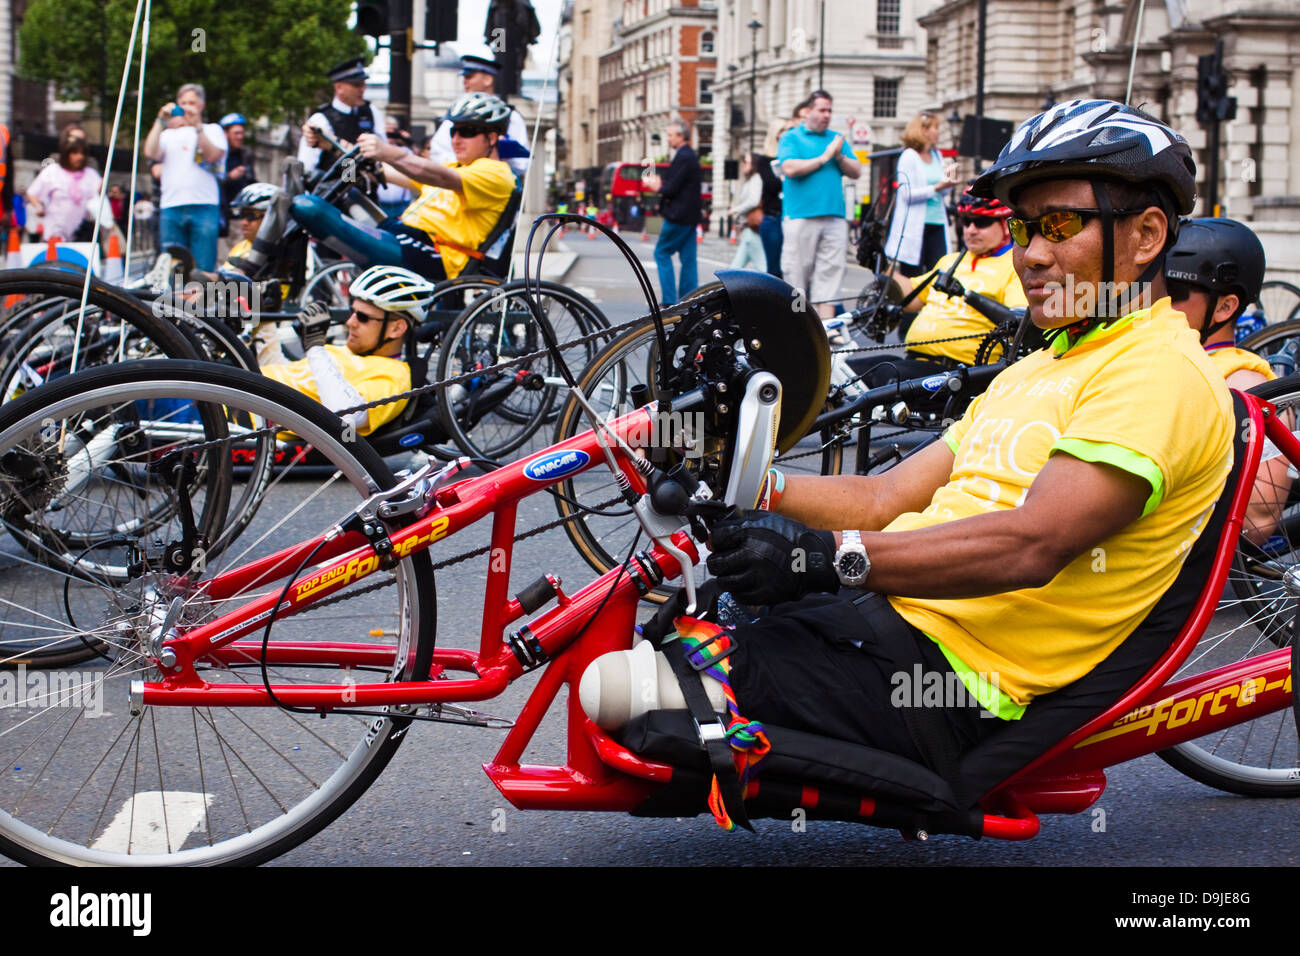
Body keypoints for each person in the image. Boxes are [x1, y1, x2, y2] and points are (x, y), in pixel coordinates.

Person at [583, 100, 1235, 790]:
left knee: (612, 689)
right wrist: (739, 485)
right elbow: (884, 495)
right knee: (658, 632)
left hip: (949, 681)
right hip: (878, 624)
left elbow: (1033, 543)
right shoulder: (1040, 367)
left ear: (1146, 235)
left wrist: (821, 558)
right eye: (1023, 227)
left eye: (1060, 225)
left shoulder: (1159, 371)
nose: (1031, 254)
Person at [289, 92, 517, 282]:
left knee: (309, 208)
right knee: (334, 187)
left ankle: (267, 281)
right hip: (401, 234)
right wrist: (330, 144)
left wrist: (389, 152)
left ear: (493, 137)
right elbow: (380, 169)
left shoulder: (496, 173)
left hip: (434, 254)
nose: (456, 139)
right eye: (453, 131)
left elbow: (437, 175)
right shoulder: (454, 166)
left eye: (467, 132)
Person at [1166, 216, 1286, 544]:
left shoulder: (1245, 383)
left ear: (1225, 307)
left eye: (1173, 292)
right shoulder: (1153, 356)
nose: (1157, 302)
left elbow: (1259, 519)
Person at [851, 189, 1027, 385]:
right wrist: (879, 263)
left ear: (1005, 224)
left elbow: (1017, 322)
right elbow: (910, 296)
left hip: (960, 370)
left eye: (982, 222)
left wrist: (967, 295)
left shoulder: (1013, 265)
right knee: (843, 374)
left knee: (884, 375)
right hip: (915, 361)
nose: (971, 229)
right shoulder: (950, 261)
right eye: (966, 222)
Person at [251, 265, 437, 436]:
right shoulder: (341, 352)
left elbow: (344, 418)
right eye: (352, 312)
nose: (350, 322)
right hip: (241, 396)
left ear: (396, 328)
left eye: (363, 317)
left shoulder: (395, 375)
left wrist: (315, 347)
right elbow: (278, 376)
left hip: (242, 419)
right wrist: (266, 323)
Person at [775, 90, 862, 318]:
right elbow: (790, 168)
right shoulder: (791, 137)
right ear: (807, 111)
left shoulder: (836, 139)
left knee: (831, 273)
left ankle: (826, 328)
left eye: (829, 111)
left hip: (834, 215)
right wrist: (825, 157)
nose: (826, 115)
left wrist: (839, 156)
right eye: (822, 110)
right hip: (800, 215)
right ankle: (798, 326)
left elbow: (857, 171)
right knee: (797, 276)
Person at [143, 83, 228, 271]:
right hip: (172, 206)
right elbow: (150, 151)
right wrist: (160, 121)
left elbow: (213, 156)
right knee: (174, 268)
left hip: (204, 204)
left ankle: (202, 300)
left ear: (202, 105)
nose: (188, 106)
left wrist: (197, 126)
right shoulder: (169, 134)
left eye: (192, 102)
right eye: (183, 103)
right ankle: (176, 300)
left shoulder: (213, 129)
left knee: (203, 267)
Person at [428, 53, 531, 180]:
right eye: (454, 131)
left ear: (488, 80)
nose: (464, 81)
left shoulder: (510, 117)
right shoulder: (457, 114)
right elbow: (437, 152)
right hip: (458, 183)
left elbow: (521, 163)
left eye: (469, 76)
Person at [298, 58, 389, 194]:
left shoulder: (372, 112)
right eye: (357, 85)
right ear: (339, 87)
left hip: (368, 196)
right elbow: (306, 167)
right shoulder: (321, 119)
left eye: (363, 84)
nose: (362, 89)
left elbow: (384, 153)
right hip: (333, 198)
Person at [886, 111, 960, 278]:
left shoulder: (937, 155)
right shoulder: (909, 156)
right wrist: (937, 186)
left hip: (938, 223)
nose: (939, 132)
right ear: (923, 130)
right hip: (915, 226)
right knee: (913, 277)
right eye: (935, 127)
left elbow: (943, 192)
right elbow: (907, 195)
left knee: (938, 273)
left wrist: (949, 182)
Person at [643, 119, 701, 306]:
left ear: (681, 135)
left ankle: (669, 301)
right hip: (689, 216)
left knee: (661, 253)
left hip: (678, 216)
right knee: (689, 259)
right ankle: (689, 300)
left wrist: (657, 186)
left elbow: (672, 189)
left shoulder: (684, 156)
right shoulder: (688, 155)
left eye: (670, 135)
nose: (668, 139)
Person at [24, 124, 105, 243]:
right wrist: (39, 207)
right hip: (55, 232)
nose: (79, 157)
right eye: (75, 153)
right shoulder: (52, 170)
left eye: (82, 153)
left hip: (81, 233)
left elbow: (98, 198)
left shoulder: (90, 173)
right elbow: (32, 192)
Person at [726, 153, 764, 271]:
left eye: (746, 162)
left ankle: (777, 289)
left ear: (754, 164)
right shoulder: (750, 180)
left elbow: (754, 200)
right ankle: (729, 287)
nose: (743, 165)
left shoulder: (756, 178)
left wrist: (736, 209)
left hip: (751, 228)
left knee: (763, 268)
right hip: (747, 229)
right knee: (734, 268)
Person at [219, 113, 255, 222]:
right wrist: (230, 177)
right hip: (221, 213)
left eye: (242, 133)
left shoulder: (245, 155)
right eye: (236, 133)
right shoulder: (218, 156)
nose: (240, 137)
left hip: (240, 214)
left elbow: (251, 181)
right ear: (225, 134)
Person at [754, 153, 783, 278]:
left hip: (795, 217)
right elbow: (771, 185)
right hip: (773, 218)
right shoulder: (765, 161)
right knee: (774, 269)